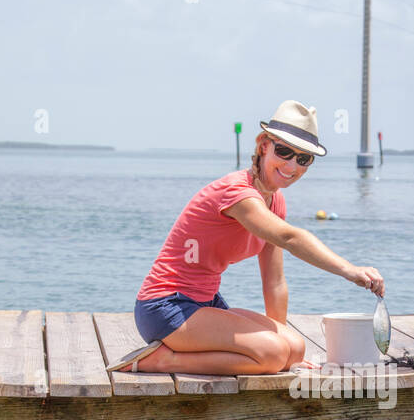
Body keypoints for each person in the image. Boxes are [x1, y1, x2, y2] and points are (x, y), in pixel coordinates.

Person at [112, 100, 384, 376]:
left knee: (294, 349)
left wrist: (285, 351)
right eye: (284, 151)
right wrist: (350, 271)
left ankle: (268, 353)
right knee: (273, 354)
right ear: (263, 145)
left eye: (303, 159)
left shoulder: (275, 202)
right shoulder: (237, 194)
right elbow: (290, 238)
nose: (292, 166)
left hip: (206, 302)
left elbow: (274, 281)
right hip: (166, 306)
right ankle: (162, 361)